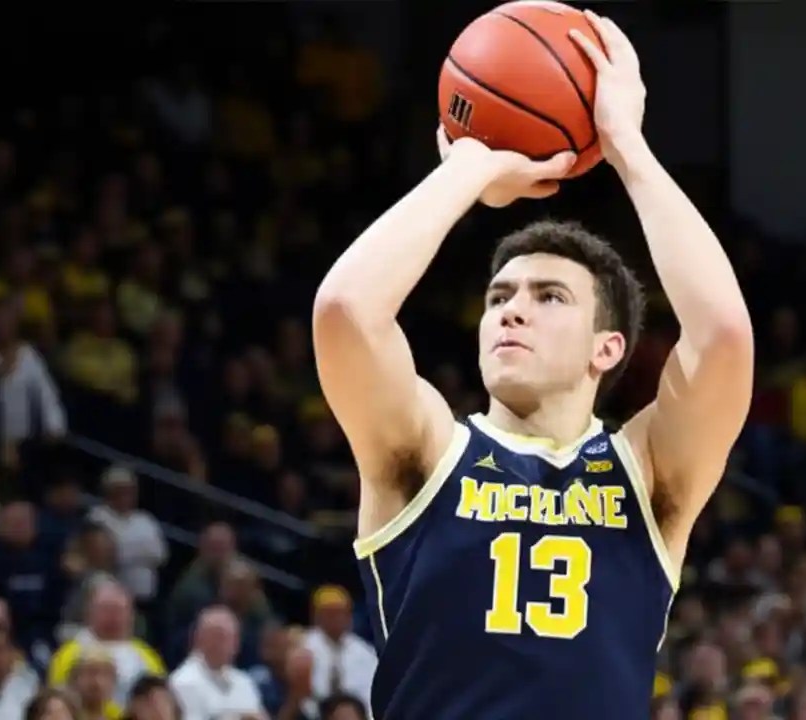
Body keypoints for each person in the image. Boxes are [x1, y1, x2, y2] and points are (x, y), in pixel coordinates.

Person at [312, 11, 753, 720]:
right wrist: (468, 167)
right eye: (499, 296)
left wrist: (628, 148)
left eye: (549, 297)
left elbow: (725, 335)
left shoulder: (647, 472)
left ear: (606, 348)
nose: (512, 311)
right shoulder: (427, 451)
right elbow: (344, 311)